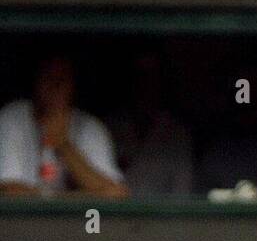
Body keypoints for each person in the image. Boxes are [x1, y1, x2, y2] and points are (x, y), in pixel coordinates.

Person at [0, 54, 128, 199]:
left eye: (62, 80)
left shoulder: (89, 127)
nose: (55, 87)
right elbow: (10, 192)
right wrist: (82, 198)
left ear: (72, 86)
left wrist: (63, 144)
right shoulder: (13, 118)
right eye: (49, 78)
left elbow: (116, 194)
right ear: (36, 81)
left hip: (79, 221)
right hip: (24, 221)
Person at [106, 52, 193, 197]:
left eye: (152, 78)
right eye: (140, 76)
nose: (145, 85)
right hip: (112, 218)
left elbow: (182, 194)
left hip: (160, 218)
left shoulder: (177, 134)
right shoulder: (109, 127)